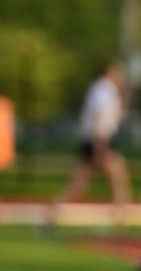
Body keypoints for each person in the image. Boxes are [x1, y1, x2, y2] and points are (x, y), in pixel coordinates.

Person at [52, 62, 132, 226]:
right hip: (100, 140)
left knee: (81, 186)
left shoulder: (106, 90)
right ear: (108, 72)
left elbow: (117, 117)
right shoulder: (102, 90)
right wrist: (99, 144)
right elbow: (98, 116)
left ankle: (49, 216)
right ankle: (121, 218)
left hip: (97, 140)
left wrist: (125, 97)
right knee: (117, 178)